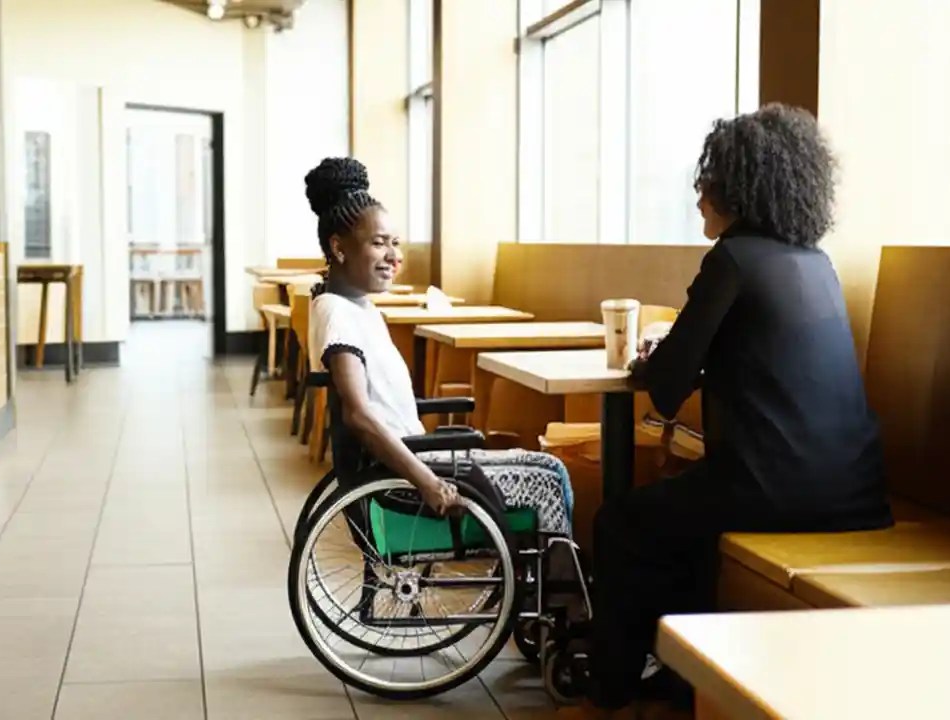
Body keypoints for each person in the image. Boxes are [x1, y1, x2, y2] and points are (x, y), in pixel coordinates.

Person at [586, 104, 894, 714]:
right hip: (859, 495)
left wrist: (653, 359)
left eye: (711, 182)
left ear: (743, 190)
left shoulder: (731, 259)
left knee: (620, 522)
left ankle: (610, 693)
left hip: (772, 489)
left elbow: (667, 389)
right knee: (691, 528)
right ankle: (682, 681)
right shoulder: (816, 264)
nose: (700, 196)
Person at [303, 156, 574, 536]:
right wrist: (427, 481)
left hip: (411, 457)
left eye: (395, 243)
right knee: (550, 476)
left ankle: (532, 585)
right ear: (339, 247)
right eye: (379, 243)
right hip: (408, 471)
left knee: (549, 468)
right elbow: (359, 417)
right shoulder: (338, 313)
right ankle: (540, 589)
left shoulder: (355, 307)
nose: (394, 256)